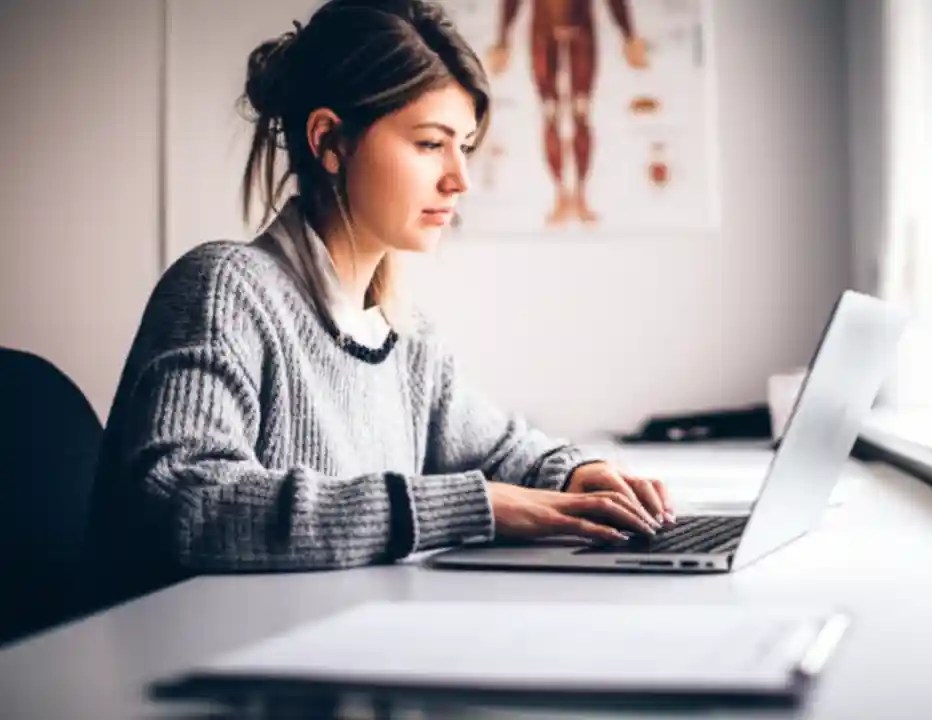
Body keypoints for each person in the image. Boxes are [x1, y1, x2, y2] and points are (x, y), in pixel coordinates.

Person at [87, 0, 673, 605]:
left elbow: (499, 449)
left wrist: (575, 475)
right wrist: (470, 506)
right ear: (329, 140)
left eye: (464, 146)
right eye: (429, 144)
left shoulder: (404, 332)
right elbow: (185, 500)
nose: (459, 180)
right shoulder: (224, 289)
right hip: (199, 670)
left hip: (330, 641)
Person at [486, 0, 648, 225]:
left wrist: (629, 35)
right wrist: (503, 38)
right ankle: (561, 194)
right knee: (551, 111)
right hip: (545, 32)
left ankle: (579, 194)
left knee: (580, 110)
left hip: (579, 29)